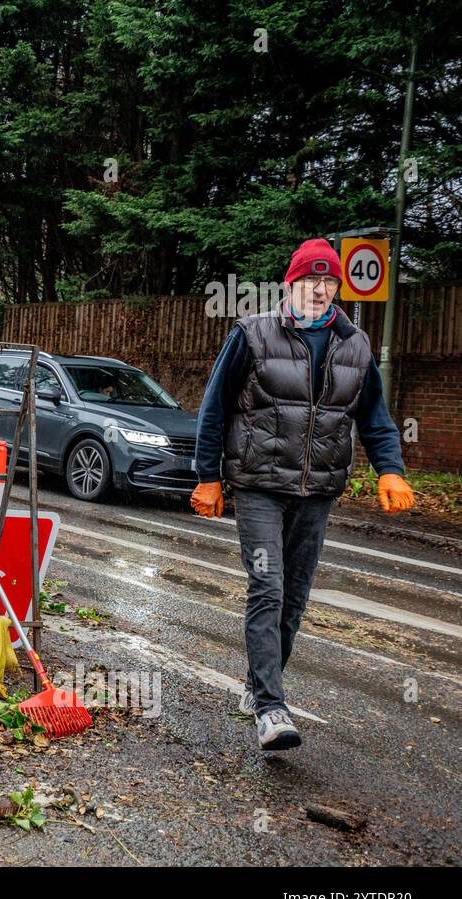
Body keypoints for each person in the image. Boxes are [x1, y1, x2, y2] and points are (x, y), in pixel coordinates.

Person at [191, 238, 415, 752]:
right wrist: (208, 476)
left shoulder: (355, 345)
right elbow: (215, 407)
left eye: (329, 281)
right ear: (290, 284)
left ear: (338, 287)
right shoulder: (252, 334)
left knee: (294, 596)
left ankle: (256, 686)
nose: (319, 289)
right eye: (309, 280)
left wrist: (391, 469)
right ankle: (271, 708)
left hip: (318, 490)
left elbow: (375, 418)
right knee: (267, 587)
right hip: (258, 484)